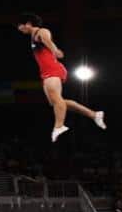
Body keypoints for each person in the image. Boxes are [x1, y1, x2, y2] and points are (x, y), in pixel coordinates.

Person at [16, 12, 106, 142]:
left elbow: (47, 39)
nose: (19, 28)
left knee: (57, 101)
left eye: (19, 25)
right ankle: (94, 114)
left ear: (28, 23)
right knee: (56, 102)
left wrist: (55, 50)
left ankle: (59, 126)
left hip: (53, 70)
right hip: (46, 72)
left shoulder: (40, 31)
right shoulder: (33, 37)